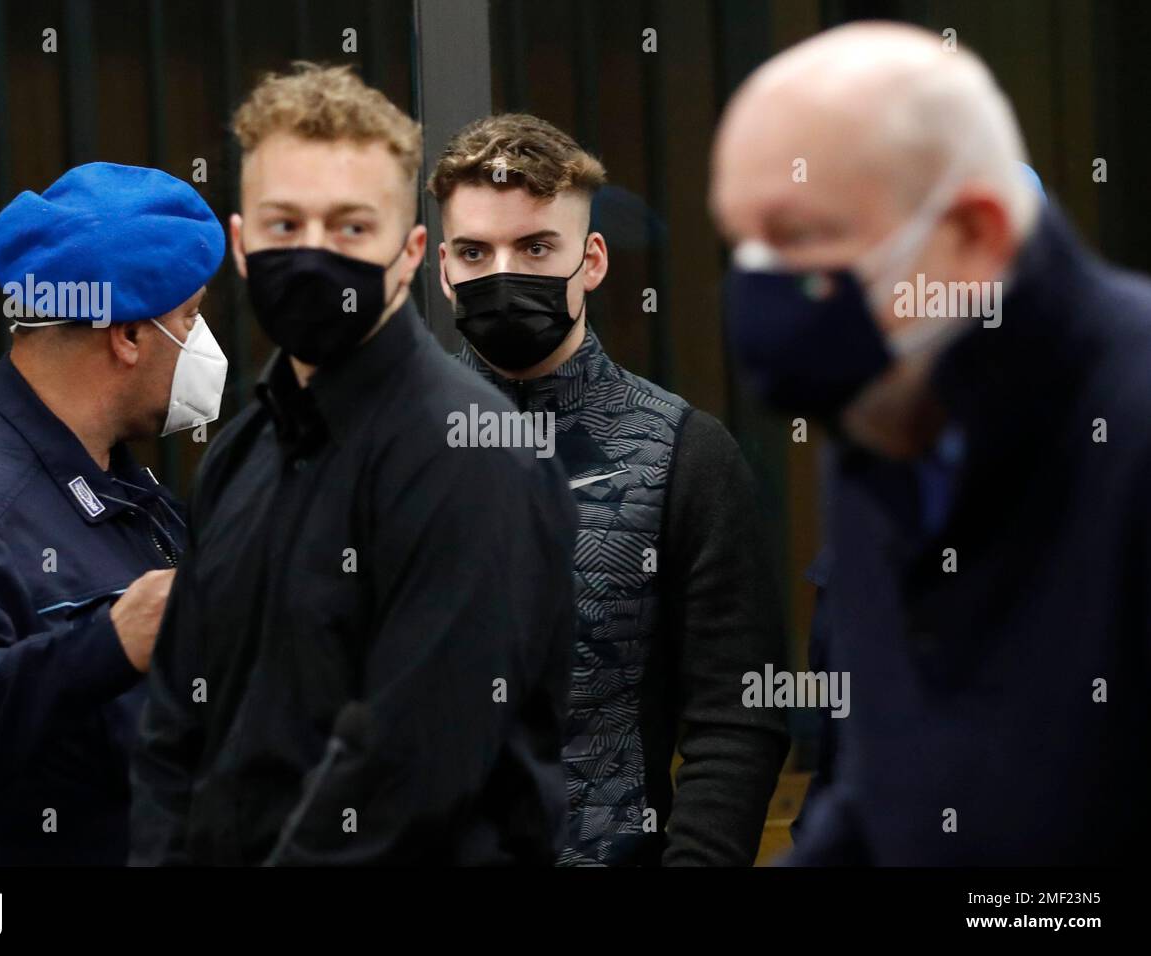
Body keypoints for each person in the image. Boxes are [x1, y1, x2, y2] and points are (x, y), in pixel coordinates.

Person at [712, 21, 1151, 864]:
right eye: (745, 244)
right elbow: (892, 802)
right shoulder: (887, 420)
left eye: (802, 237)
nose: (765, 287)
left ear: (974, 235)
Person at [129, 64, 578, 866]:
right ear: (240, 244)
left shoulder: (472, 456)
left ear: (409, 254)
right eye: (284, 225)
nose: (312, 254)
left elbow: (411, 777)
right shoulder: (241, 451)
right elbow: (173, 732)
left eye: (349, 228)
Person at [428, 113, 788, 866]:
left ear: (591, 259)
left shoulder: (685, 455)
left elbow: (737, 717)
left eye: (534, 247)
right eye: (474, 250)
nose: (503, 274)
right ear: (442, 268)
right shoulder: (386, 450)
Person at [0, 162, 227, 864]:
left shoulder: (117, 481)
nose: (204, 342)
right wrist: (107, 643)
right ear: (127, 336)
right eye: (190, 315)